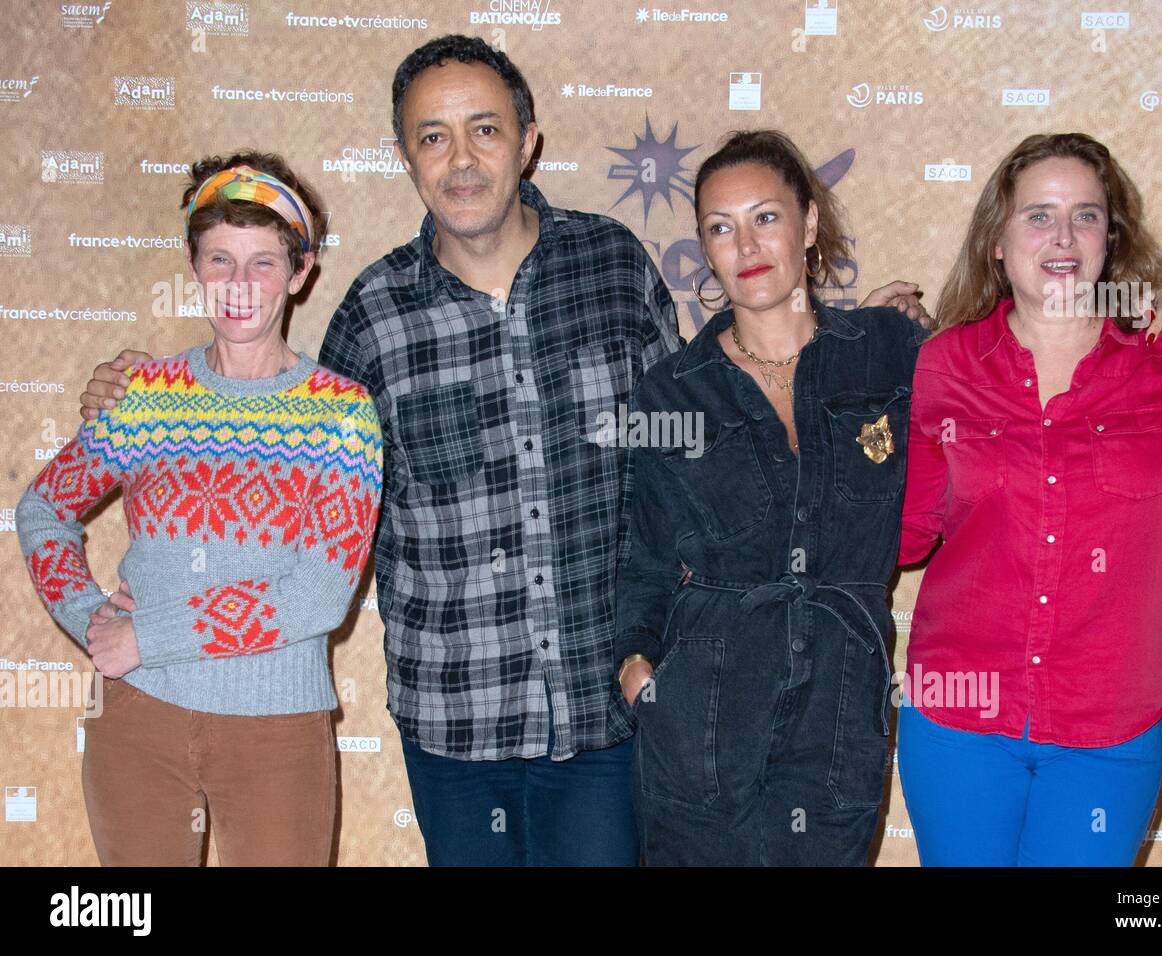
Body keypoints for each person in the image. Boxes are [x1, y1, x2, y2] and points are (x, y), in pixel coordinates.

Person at [75, 37, 937, 866]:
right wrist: (146, 401)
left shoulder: (614, 267)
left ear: (526, 142)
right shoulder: (373, 316)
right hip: (456, 720)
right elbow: (282, 453)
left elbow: (702, 434)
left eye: (485, 129)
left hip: (607, 715)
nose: (461, 159)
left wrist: (871, 337)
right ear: (405, 157)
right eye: (433, 136)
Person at [896, 132, 1162, 866]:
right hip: (958, 722)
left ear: (1110, 236)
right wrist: (863, 348)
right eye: (1038, 216)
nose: (1063, 237)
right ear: (996, 242)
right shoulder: (943, 364)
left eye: (1086, 216)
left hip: (1109, 729)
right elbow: (901, 538)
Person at [18, 152, 383, 866]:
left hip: (278, 730)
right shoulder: (146, 397)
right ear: (193, 266)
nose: (239, 286)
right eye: (221, 259)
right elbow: (41, 511)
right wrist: (89, 616)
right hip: (136, 721)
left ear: (300, 272)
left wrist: (149, 634)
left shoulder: (342, 413)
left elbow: (318, 596)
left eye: (263, 263)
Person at [613, 129, 929, 865]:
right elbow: (647, 561)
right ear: (703, 248)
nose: (746, 245)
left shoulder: (884, 352)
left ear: (809, 223)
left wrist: (1143, 313)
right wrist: (638, 674)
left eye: (766, 217)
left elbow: (1011, 347)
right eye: (720, 228)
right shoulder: (671, 390)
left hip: (839, 717)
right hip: (701, 724)